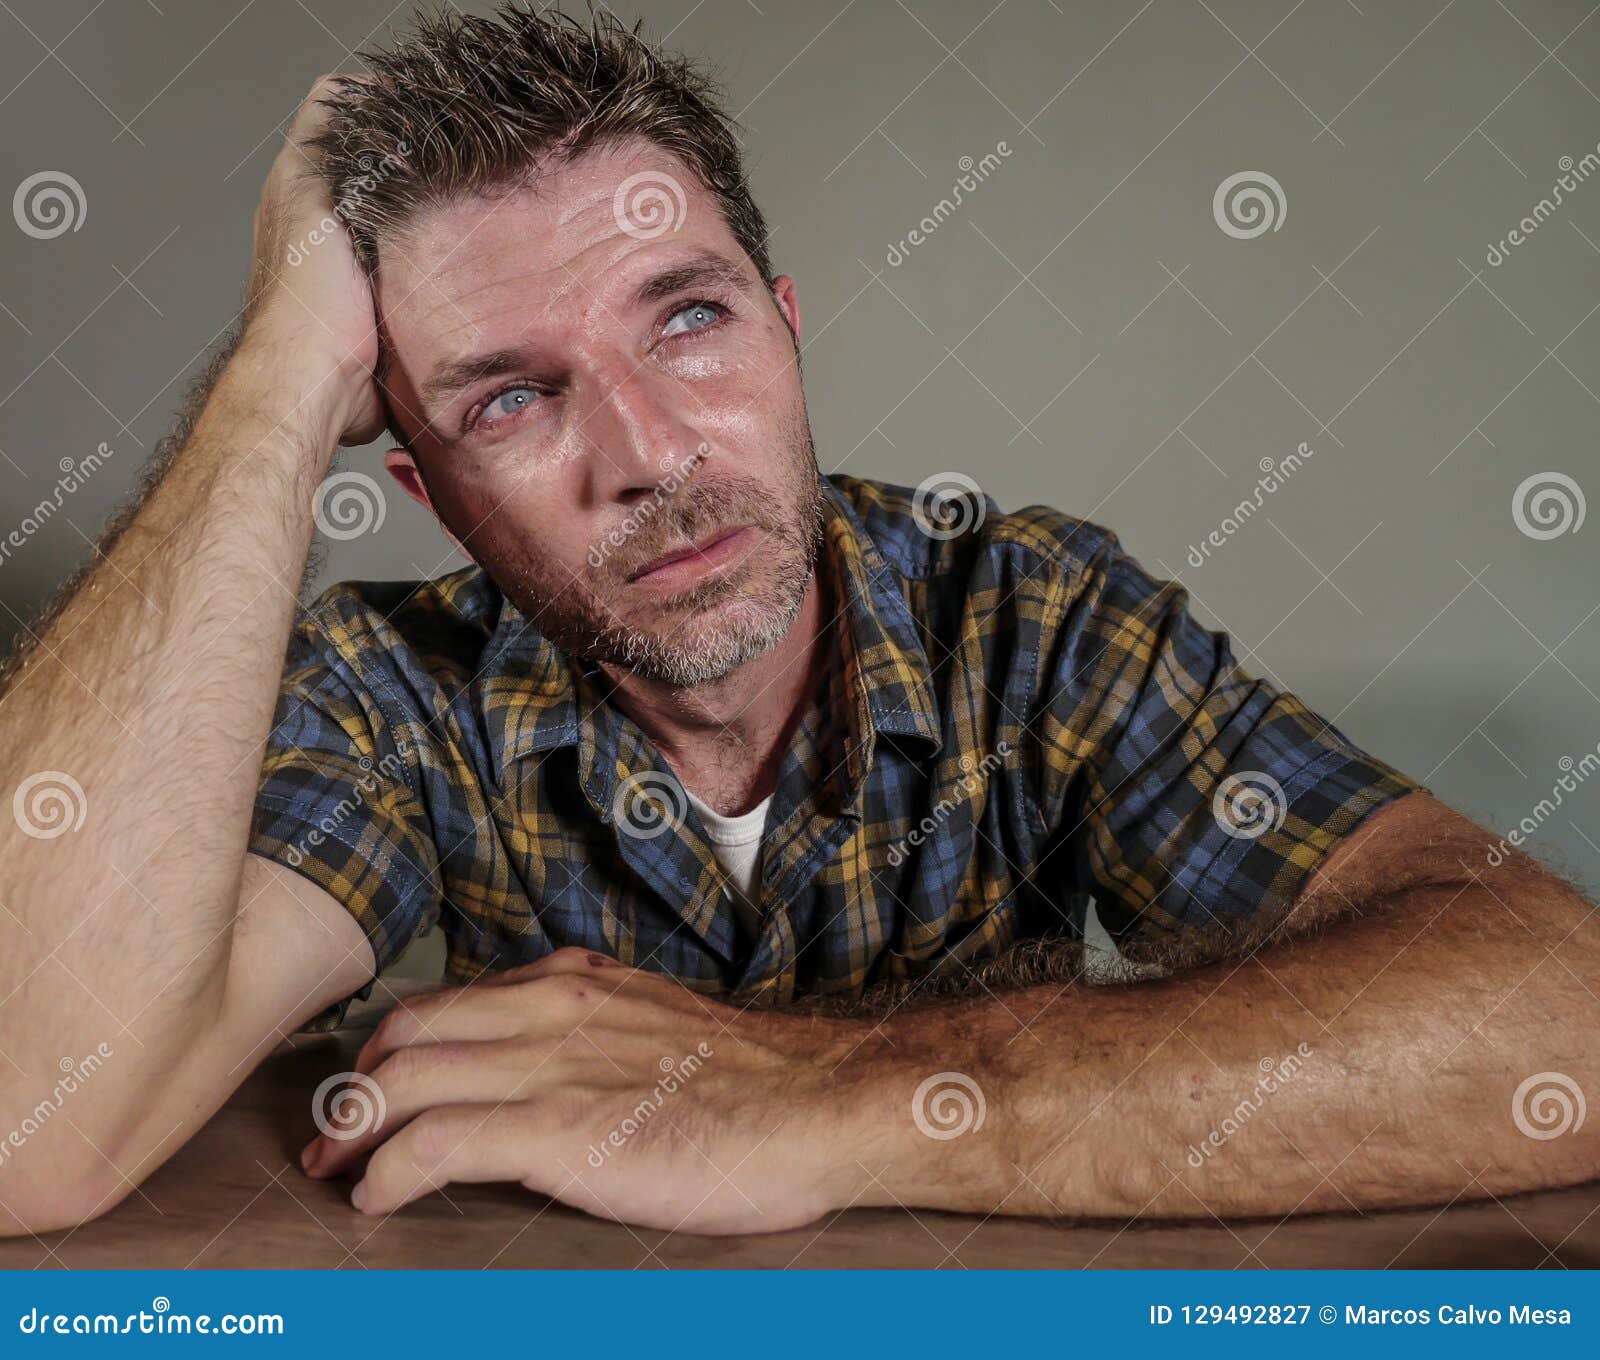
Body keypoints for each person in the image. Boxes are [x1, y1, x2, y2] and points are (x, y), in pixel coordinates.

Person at [0, 5, 1593, 1239]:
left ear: (785, 328)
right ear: (431, 494)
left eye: (689, 317)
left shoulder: (1034, 623)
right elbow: (24, 1125)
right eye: (512, 399)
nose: (650, 455)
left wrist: (826, 1100)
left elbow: (1558, 1023)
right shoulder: (391, 694)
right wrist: (276, 381)